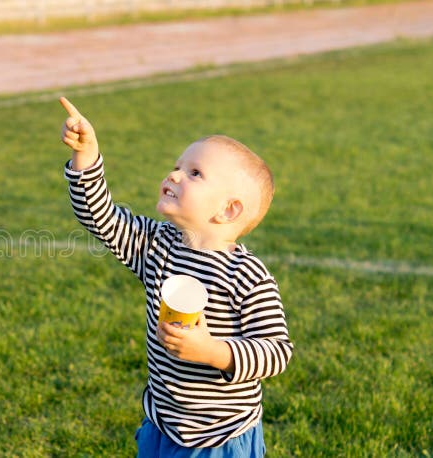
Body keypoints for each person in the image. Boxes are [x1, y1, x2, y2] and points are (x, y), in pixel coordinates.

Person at [59, 97, 293, 457]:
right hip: (163, 424)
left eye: (194, 173)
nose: (174, 175)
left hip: (221, 437)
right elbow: (99, 216)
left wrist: (212, 351)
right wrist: (86, 155)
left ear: (228, 209)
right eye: (177, 167)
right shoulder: (156, 245)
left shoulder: (248, 276)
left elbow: (276, 352)